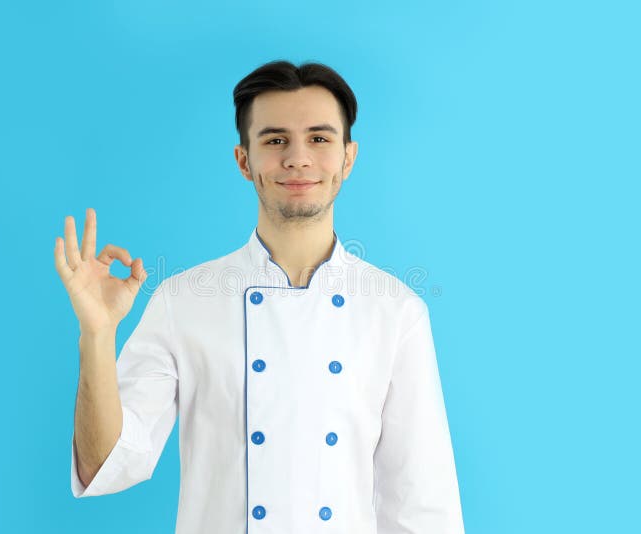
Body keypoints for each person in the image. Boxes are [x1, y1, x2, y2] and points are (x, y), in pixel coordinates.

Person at [54, 60, 465, 533]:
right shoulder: (182, 302)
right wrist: (97, 335)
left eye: (319, 138)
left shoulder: (396, 312)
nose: (297, 158)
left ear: (348, 157)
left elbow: (422, 503)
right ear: (244, 161)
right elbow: (105, 464)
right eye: (274, 140)